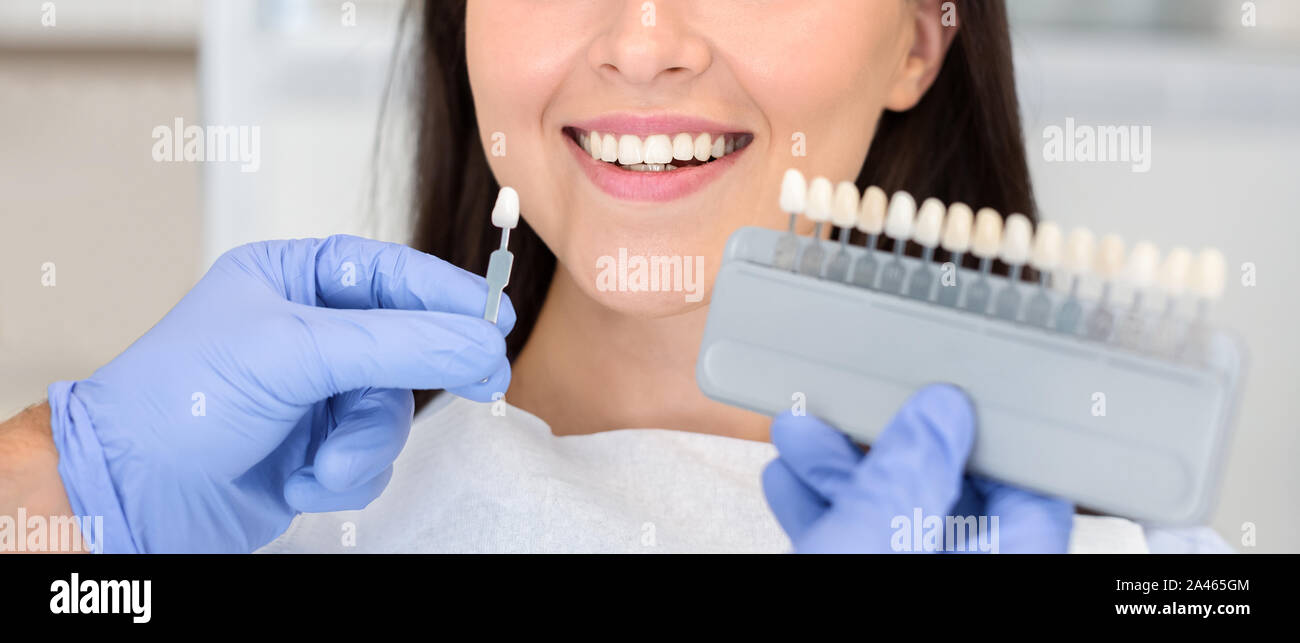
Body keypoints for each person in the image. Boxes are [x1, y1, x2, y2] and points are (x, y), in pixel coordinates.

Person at [0, 0, 1227, 553]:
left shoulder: (1124, 550)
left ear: (920, 33)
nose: (645, 40)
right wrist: (59, 486)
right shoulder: (255, 509)